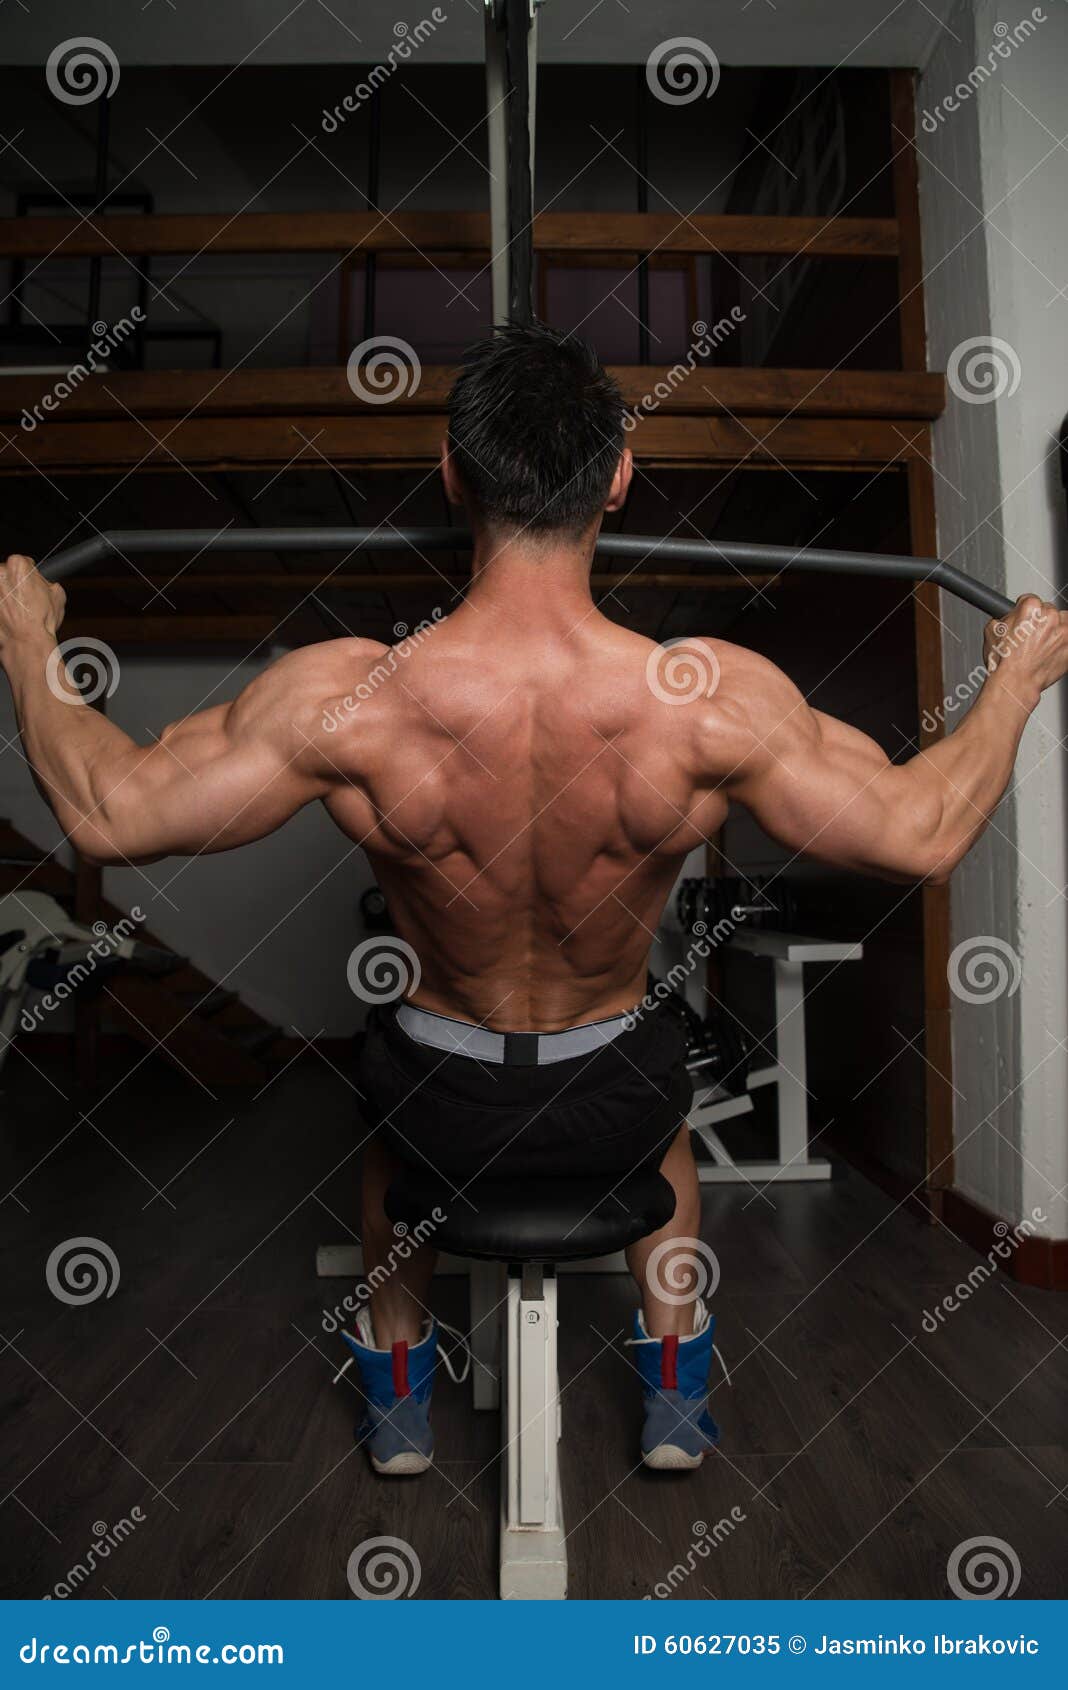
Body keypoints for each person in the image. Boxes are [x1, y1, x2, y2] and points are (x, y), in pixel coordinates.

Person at [2, 323, 1065, 1476]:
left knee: (391, 1118)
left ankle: (398, 1398)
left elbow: (106, 810)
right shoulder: (707, 700)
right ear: (618, 477)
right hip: (611, 1094)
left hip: (442, 1098)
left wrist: (27, 647)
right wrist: (1014, 680)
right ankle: (674, 1389)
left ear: (453, 475)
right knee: (661, 1111)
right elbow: (923, 831)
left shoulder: (351, 697)